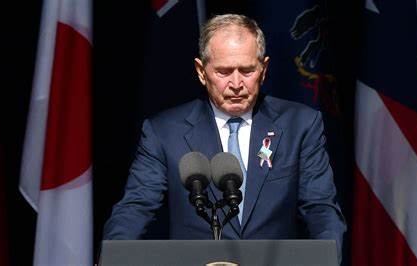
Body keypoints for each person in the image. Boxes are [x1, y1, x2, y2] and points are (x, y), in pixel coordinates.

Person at [103, 13, 346, 254]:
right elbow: (136, 208)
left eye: (247, 70)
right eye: (224, 72)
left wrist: (326, 257)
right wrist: (112, 257)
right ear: (201, 71)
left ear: (264, 69)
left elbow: (321, 210)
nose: (237, 83)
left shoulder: (300, 125)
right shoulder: (164, 132)